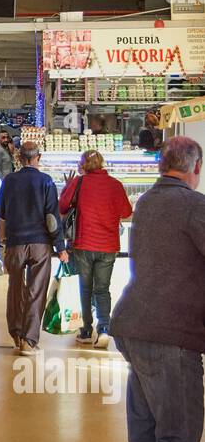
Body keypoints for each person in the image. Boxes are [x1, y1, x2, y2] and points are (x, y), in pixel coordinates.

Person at [111, 136, 205, 442]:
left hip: (133, 324)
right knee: (180, 428)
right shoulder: (193, 206)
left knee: (146, 427)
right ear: (194, 168)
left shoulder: (147, 202)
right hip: (170, 330)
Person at [0, 141, 69, 352]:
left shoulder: (9, 181)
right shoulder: (46, 181)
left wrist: (2, 239)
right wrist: (60, 246)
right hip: (40, 244)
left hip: (15, 242)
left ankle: (16, 335)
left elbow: (1, 212)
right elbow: (51, 219)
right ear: (39, 157)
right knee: (36, 290)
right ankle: (29, 340)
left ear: (19, 158)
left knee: (15, 288)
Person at [59, 149, 132, 349]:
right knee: (102, 288)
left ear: (83, 165)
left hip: (83, 243)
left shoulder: (79, 182)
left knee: (85, 287)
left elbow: (62, 207)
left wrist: (68, 189)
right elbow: (126, 211)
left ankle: (85, 329)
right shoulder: (115, 184)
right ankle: (104, 329)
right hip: (108, 245)